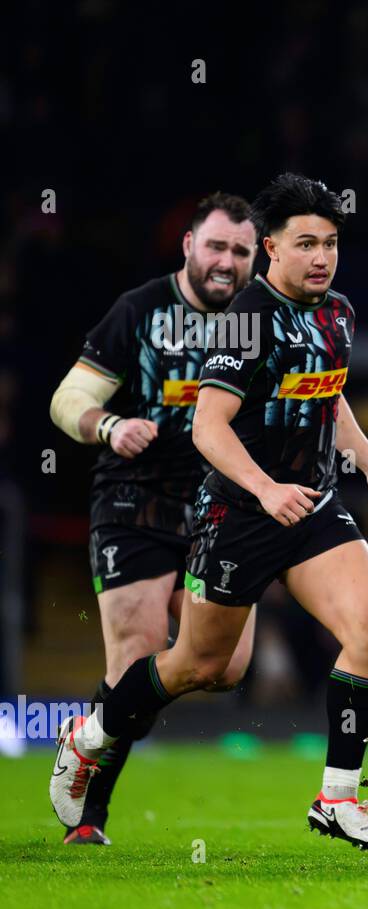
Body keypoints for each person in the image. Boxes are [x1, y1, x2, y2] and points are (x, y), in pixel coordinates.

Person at [50, 173, 368, 855]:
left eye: (330, 243)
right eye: (305, 243)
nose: (321, 257)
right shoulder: (248, 318)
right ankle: (91, 735)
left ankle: (337, 797)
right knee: (195, 664)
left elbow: (327, 396)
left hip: (311, 505)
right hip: (239, 514)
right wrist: (265, 487)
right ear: (272, 248)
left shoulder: (337, 312)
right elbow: (208, 428)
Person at [47, 193, 258, 844]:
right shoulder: (139, 309)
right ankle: (90, 817)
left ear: (256, 260)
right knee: (135, 651)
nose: (226, 262)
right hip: (133, 501)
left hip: (218, 506)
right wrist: (107, 425)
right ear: (189, 245)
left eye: (241, 252)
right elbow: (68, 397)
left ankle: (90, 728)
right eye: (216, 246)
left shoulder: (260, 320)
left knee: (224, 669)